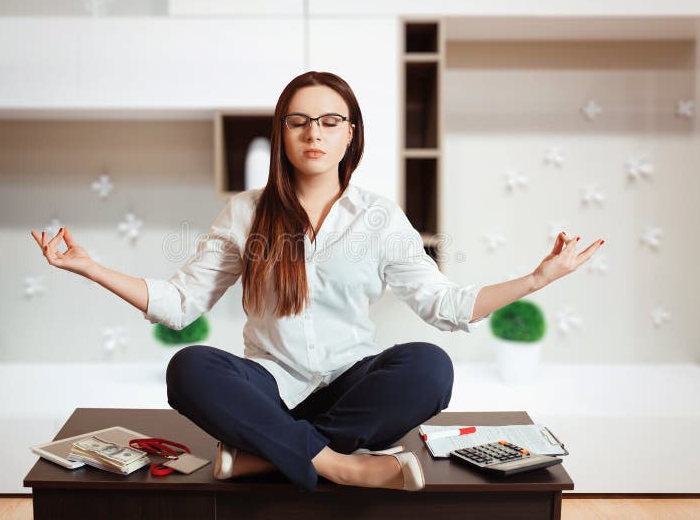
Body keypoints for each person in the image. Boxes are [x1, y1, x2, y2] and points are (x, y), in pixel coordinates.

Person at [31, 71, 604, 493]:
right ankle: (338, 462)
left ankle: (267, 453)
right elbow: (181, 305)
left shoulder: (379, 217)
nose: (315, 133)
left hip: (349, 384)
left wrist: (537, 277)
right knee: (190, 368)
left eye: (331, 121)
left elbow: (445, 305)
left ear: (351, 133)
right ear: (282, 132)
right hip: (267, 387)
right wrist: (90, 266)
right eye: (299, 121)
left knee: (430, 365)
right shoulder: (245, 212)